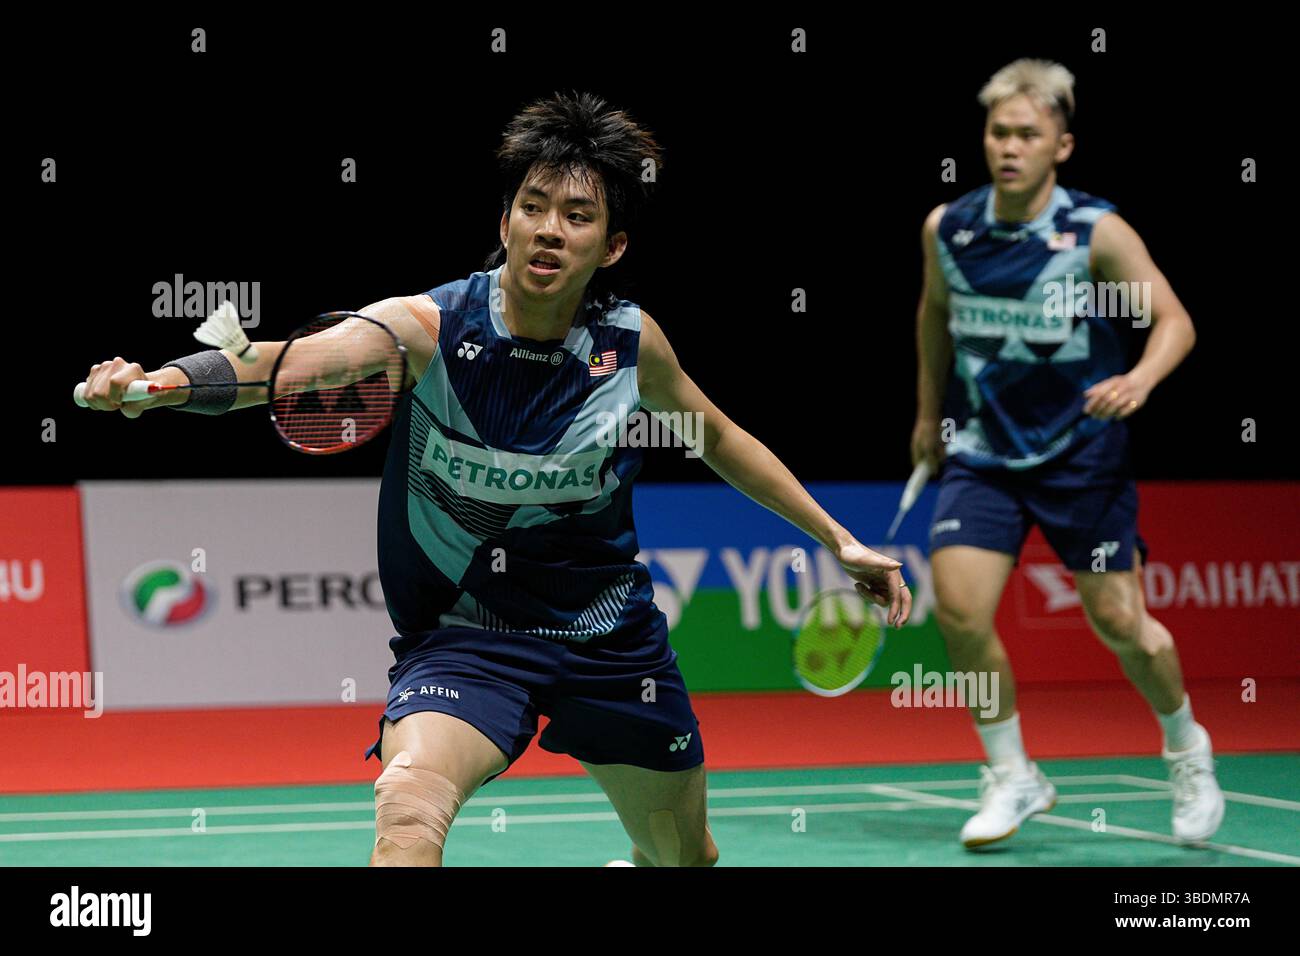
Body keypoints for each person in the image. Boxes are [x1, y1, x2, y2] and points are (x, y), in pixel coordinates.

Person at [80, 90, 912, 866]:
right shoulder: (425, 329)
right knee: (408, 807)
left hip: (608, 638)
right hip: (466, 638)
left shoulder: (629, 345)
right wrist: (159, 386)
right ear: (505, 220)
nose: (550, 230)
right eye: (534, 207)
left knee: (683, 857)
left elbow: (721, 438)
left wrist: (837, 538)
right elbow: (280, 369)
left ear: (612, 245)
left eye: (578, 216)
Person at [912, 60, 1223, 848]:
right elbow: (933, 317)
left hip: (1082, 454)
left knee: (1121, 622)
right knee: (958, 612)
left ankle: (1186, 745)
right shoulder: (949, 226)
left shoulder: (1094, 231)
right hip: (983, 454)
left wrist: (1142, 378)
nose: (1008, 147)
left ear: (1062, 144)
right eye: (998, 132)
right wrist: (926, 416)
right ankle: (1012, 774)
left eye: (1027, 134)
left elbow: (1176, 320)